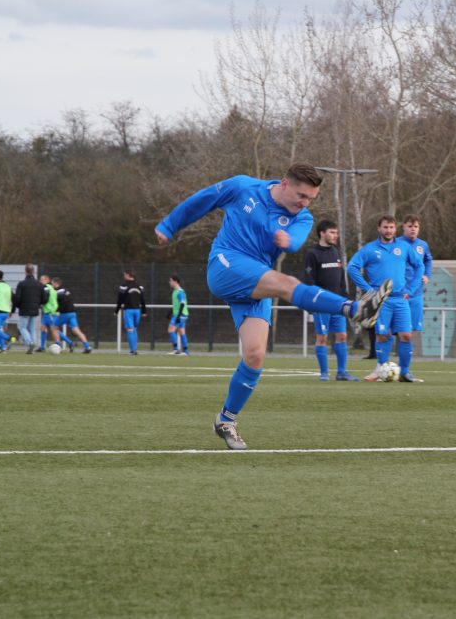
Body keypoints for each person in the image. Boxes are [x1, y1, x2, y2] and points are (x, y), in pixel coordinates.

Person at [155, 163, 390, 450]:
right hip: (226, 264)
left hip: (257, 280)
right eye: (301, 196)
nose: (305, 204)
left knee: (255, 355)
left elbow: (296, 240)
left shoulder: (302, 217)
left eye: (311, 199)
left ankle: (226, 420)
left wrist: (288, 240)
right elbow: (203, 200)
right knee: (287, 284)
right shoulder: (242, 187)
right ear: (284, 183)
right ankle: (354, 309)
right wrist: (169, 225)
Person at [348, 214, 423, 383]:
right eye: (385, 227)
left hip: (401, 299)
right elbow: (352, 267)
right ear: (379, 228)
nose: (388, 230)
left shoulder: (403, 247)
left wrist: (411, 289)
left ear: (395, 229)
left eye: (391, 227)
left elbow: (420, 266)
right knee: (382, 336)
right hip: (381, 300)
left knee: (406, 335)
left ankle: (405, 373)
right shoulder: (369, 249)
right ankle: (381, 370)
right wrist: (368, 289)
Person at [303, 220, 359, 381]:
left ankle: (342, 372)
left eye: (336, 232)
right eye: (332, 232)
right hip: (321, 304)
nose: (336, 235)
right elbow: (309, 280)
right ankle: (324, 373)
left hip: (338, 303)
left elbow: (341, 278)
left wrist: (345, 298)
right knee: (322, 338)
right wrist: (313, 302)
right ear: (322, 233)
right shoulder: (312, 254)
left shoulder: (336, 252)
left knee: (342, 336)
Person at [399, 215, 433, 373]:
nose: (413, 229)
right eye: (410, 226)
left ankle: (404, 369)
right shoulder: (397, 243)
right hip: (398, 294)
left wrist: (427, 274)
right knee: (388, 332)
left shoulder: (422, 245)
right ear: (403, 227)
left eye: (416, 226)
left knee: (409, 333)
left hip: (416, 294)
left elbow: (428, 260)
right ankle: (382, 367)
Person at [51, 276, 93, 354]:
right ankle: (87, 347)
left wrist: (57, 310)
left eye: (52, 283)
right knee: (76, 330)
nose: (52, 285)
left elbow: (63, 304)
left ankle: (58, 346)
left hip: (65, 314)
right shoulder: (66, 291)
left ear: (56, 284)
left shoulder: (58, 293)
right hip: (72, 313)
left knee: (54, 328)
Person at [13, 264, 47, 355]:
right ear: (33, 271)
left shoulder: (21, 284)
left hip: (24, 309)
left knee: (22, 327)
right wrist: (38, 304)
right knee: (32, 328)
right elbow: (45, 298)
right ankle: (33, 344)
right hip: (35, 309)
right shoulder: (39, 284)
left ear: (25, 271)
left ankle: (30, 343)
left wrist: (18, 306)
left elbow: (17, 298)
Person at [116, 270, 147, 355]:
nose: (124, 276)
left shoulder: (124, 286)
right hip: (137, 311)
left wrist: (117, 310)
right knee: (134, 329)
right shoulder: (140, 286)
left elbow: (120, 299)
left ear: (128, 275)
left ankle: (133, 350)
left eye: (125, 275)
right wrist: (144, 311)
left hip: (128, 310)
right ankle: (134, 349)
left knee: (130, 329)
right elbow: (143, 300)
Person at [168, 274, 190, 356]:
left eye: (171, 281)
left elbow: (182, 303)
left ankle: (176, 349)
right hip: (180, 314)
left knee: (171, 330)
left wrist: (178, 316)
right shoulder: (175, 291)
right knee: (182, 332)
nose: (169, 282)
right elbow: (176, 304)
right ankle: (186, 351)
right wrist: (170, 312)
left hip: (180, 314)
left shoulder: (180, 292)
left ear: (175, 281)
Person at [38, 274, 58, 352]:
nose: (40, 281)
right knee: (43, 328)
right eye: (40, 280)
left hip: (50, 311)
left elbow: (45, 299)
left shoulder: (46, 287)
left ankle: (68, 343)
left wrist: (40, 303)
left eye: (42, 279)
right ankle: (42, 347)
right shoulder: (51, 288)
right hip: (46, 311)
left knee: (54, 330)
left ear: (47, 280)